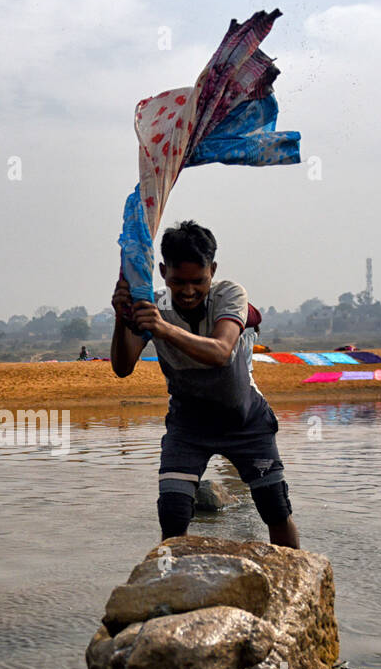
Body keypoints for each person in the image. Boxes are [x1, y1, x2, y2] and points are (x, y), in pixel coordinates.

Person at [110, 220, 298, 548]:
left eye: (198, 281)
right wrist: (121, 317)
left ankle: (297, 588)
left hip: (245, 422)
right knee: (173, 514)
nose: (187, 291)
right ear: (163, 271)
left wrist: (162, 329)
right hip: (188, 425)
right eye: (178, 281)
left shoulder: (229, 294)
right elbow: (123, 367)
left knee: (275, 508)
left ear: (212, 269)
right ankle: (173, 588)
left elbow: (221, 352)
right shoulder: (154, 306)